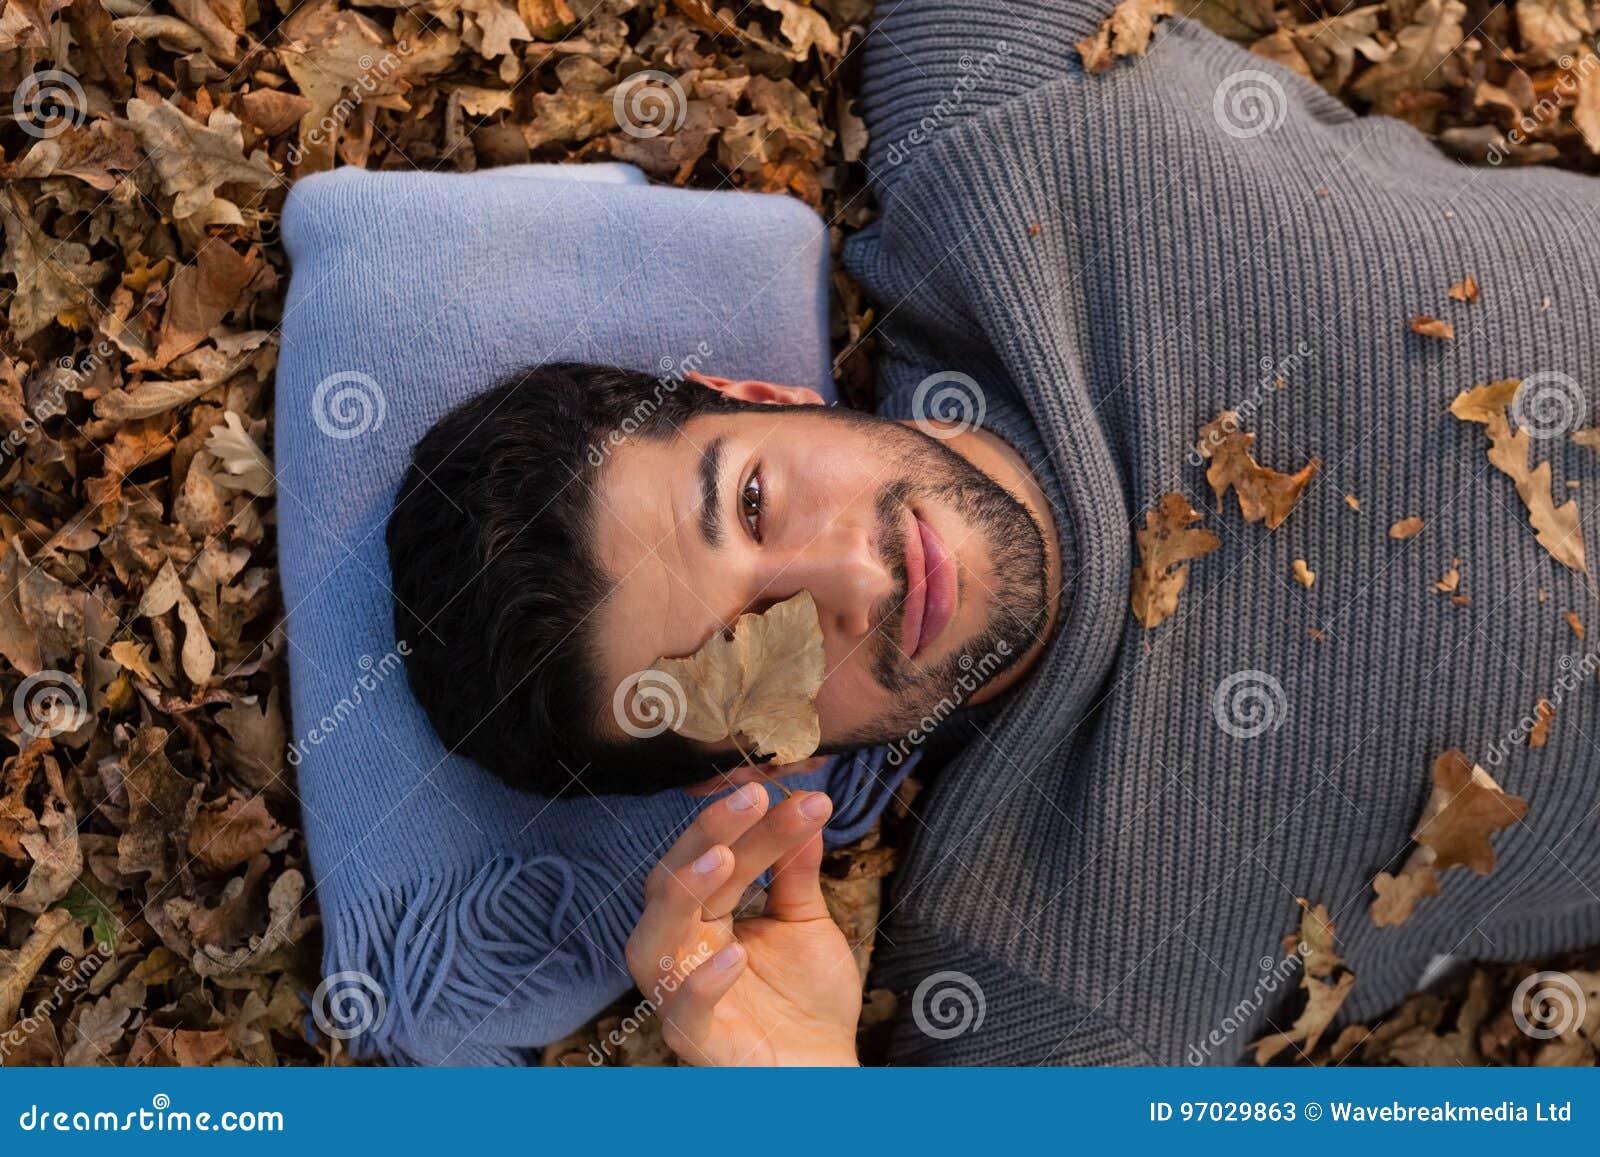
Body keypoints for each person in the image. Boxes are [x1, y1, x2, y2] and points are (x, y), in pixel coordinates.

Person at [387, 0, 1600, 1065]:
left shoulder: (991, 109)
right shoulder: (1036, 967)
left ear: (758, 397)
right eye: (753, 649)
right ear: (755, 761)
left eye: (753, 502)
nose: (843, 576)